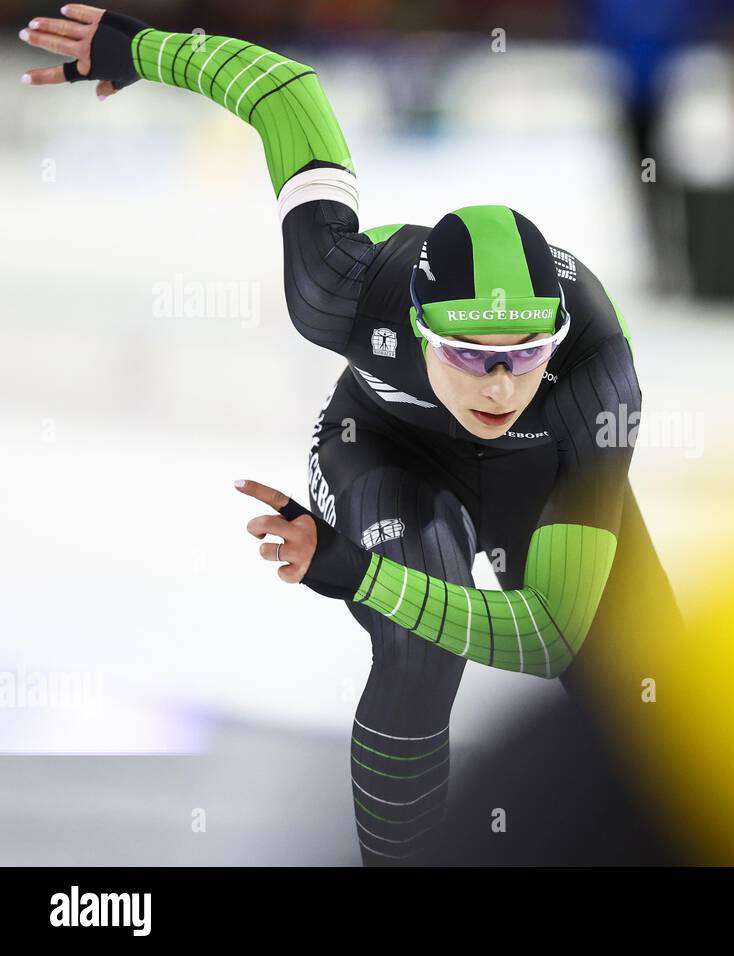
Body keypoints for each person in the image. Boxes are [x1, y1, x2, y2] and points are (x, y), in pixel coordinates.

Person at [20, 4, 682, 865]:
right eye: (467, 354)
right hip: (387, 448)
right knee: (418, 657)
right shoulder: (343, 287)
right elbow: (286, 93)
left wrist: (358, 573)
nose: (499, 384)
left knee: (650, 685)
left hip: (538, 473)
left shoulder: (595, 373)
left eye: (523, 354)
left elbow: (548, 633)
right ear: (413, 325)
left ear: (557, 337)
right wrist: (144, 48)